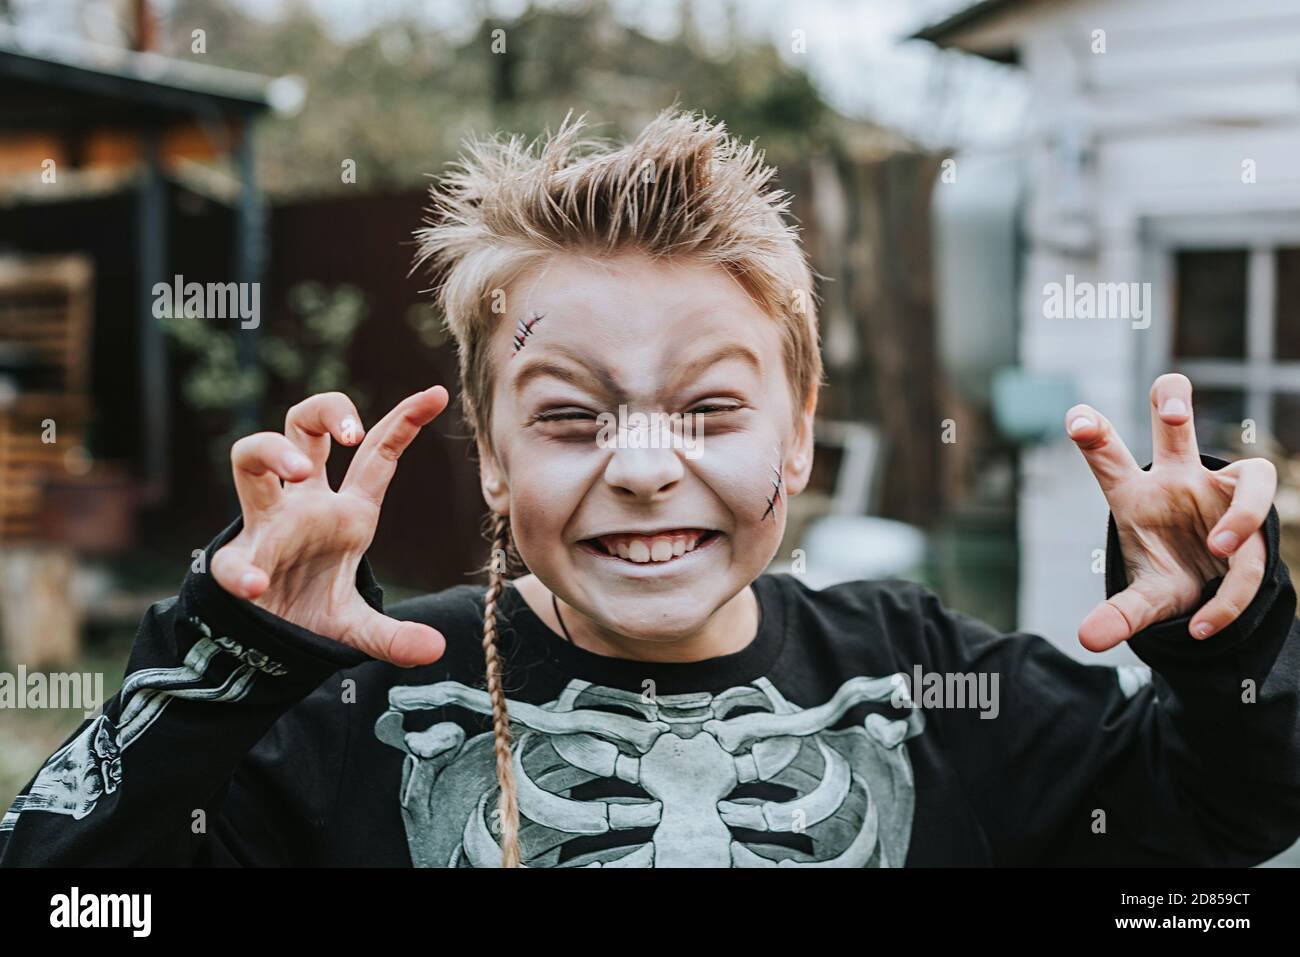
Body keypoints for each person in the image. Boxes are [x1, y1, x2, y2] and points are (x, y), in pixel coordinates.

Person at [3, 108, 1298, 867]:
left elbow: (1230, 818)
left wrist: (1219, 639)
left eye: (709, 406)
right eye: (569, 415)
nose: (640, 461)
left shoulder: (933, 684)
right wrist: (219, 667)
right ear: (496, 463)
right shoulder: (346, 711)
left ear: (797, 436)